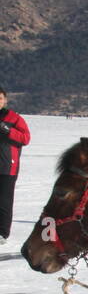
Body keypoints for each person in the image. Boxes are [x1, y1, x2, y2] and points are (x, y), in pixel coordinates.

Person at [0, 87, 32, 242]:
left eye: (0, 98)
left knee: (4, 201)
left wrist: (7, 130)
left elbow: (25, 139)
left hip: (7, 167)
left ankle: (2, 233)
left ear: (5, 100)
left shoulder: (14, 118)